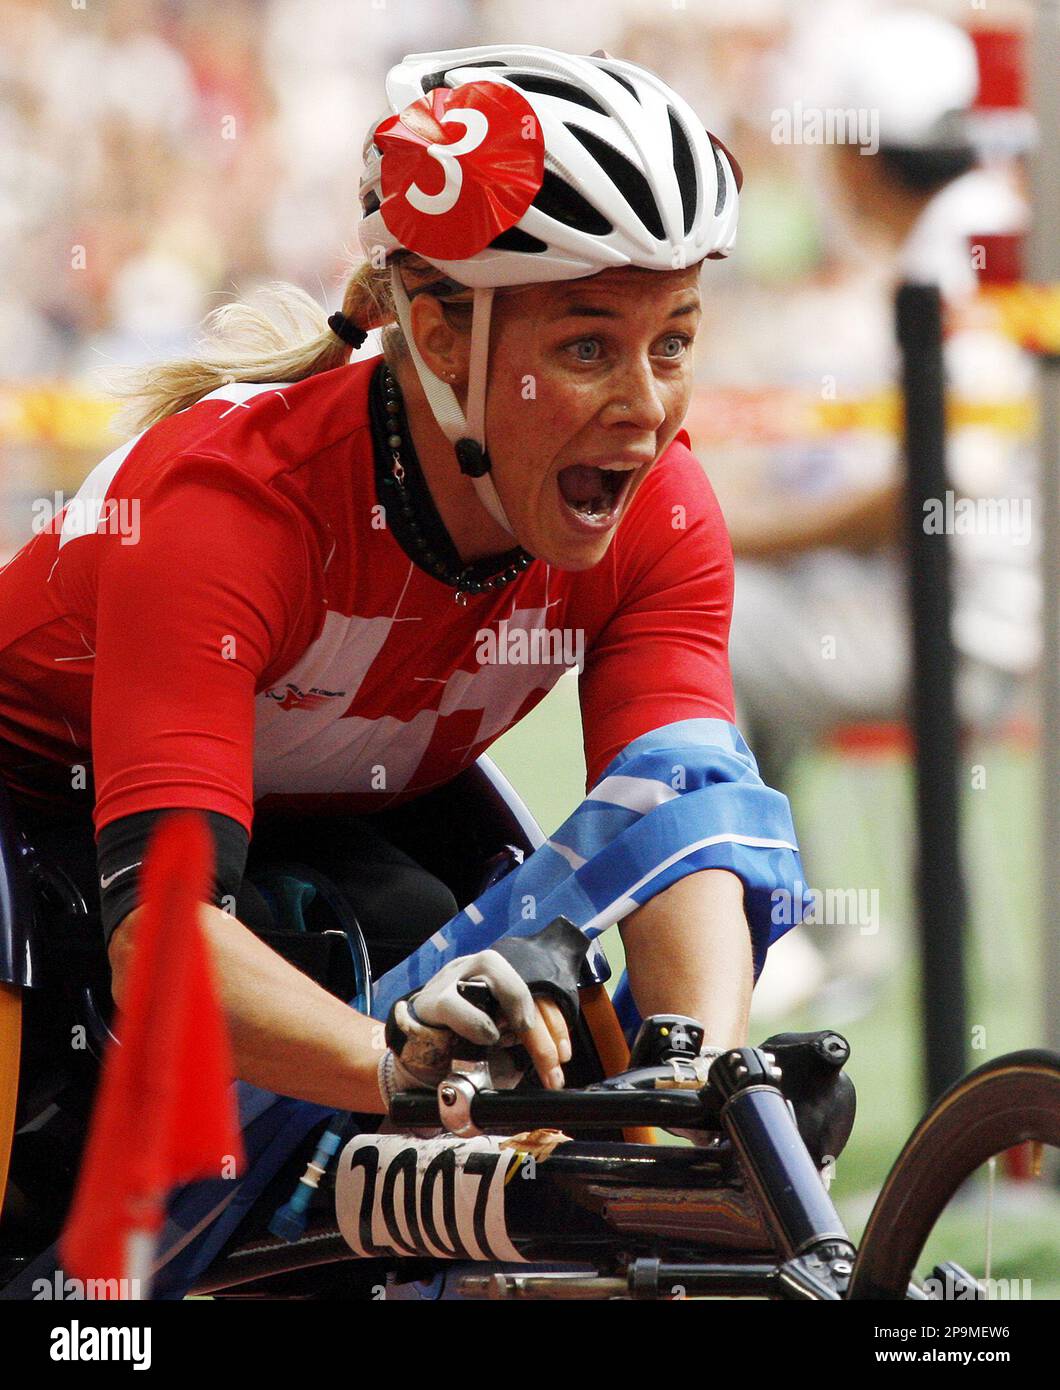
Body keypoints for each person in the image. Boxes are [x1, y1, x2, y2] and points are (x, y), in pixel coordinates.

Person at [0, 46, 805, 1147]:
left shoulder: (658, 512)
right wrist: (396, 1070)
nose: (646, 407)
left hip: (314, 822)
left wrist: (698, 1079)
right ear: (439, 336)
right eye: (587, 347)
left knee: (489, 980)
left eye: (672, 342)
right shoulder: (224, 510)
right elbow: (163, 947)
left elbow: (683, 815)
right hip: (43, 822)